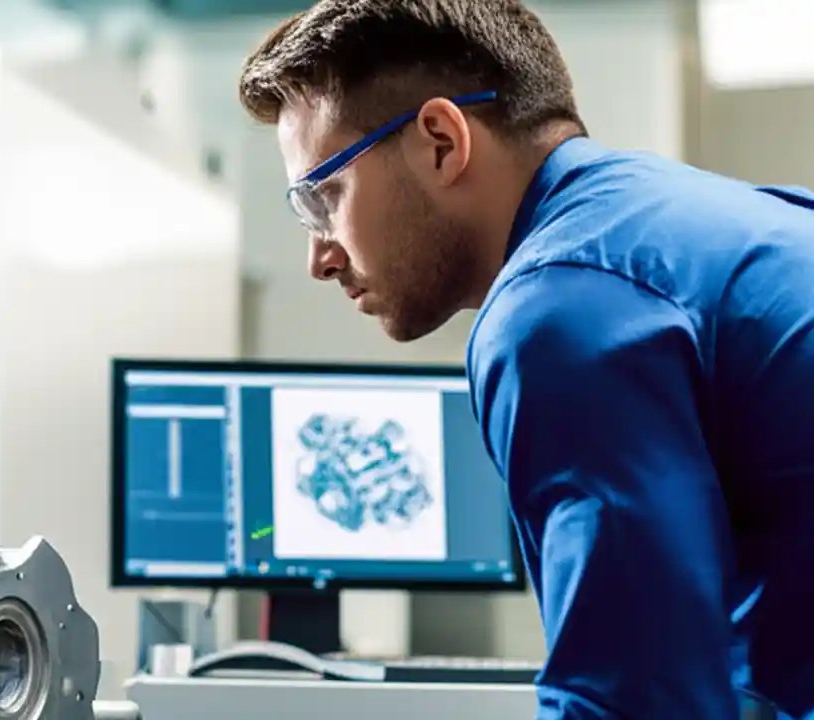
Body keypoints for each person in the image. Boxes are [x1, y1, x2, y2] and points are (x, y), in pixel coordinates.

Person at [237, 1, 814, 719]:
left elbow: (635, 699)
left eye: (323, 198)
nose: (318, 257)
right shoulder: (715, 220)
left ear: (442, 141)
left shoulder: (560, 307)